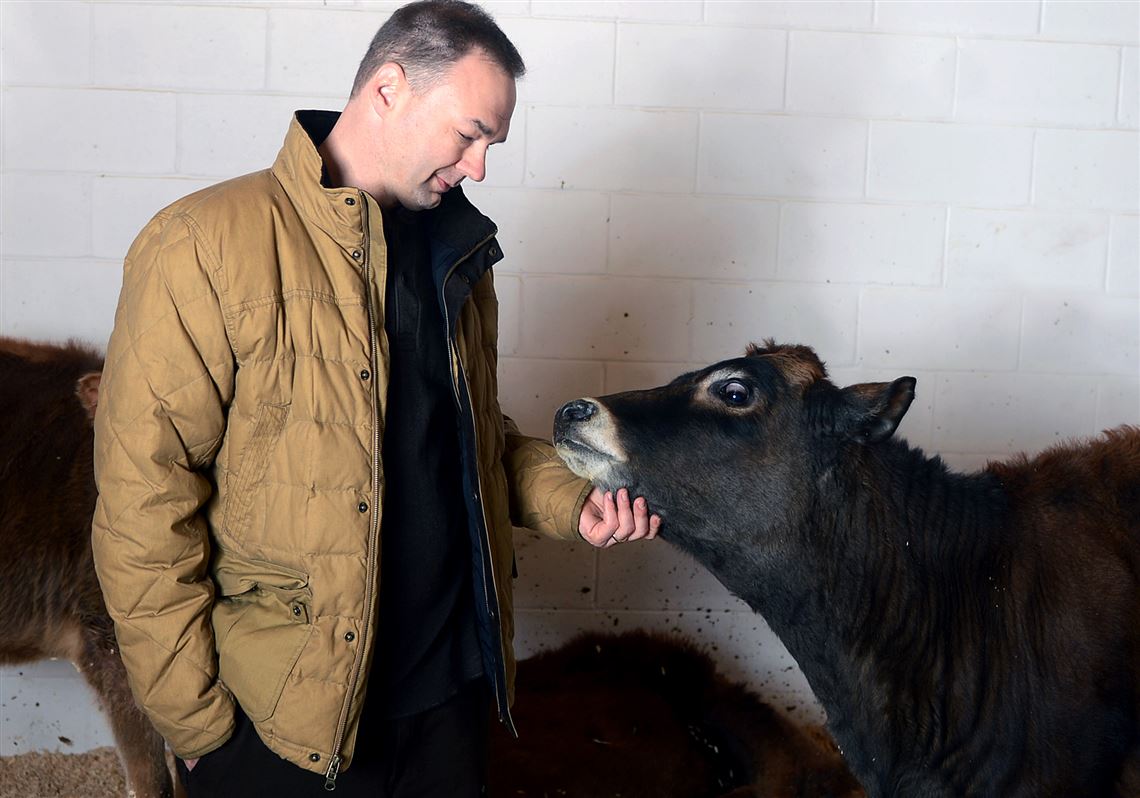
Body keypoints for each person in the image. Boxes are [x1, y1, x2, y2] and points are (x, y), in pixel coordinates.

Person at [90, 2, 660, 796]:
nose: (480, 166)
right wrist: (198, 723)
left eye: (491, 145)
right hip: (283, 722)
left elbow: (470, 439)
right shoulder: (202, 244)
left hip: (449, 707)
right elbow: (142, 504)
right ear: (389, 88)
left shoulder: (458, 255)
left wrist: (576, 501)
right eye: (469, 134)